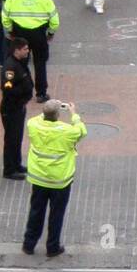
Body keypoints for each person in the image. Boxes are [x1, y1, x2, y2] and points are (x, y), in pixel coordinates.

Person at [21, 99, 87, 258]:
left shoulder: (33, 125)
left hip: (39, 179)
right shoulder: (67, 131)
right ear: (58, 114)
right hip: (60, 181)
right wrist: (73, 114)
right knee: (56, 215)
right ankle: (52, 246)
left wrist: (49, 107)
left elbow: (39, 117)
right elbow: (82, 131)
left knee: (36, 211)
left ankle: (29, 244)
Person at [1, 0, 59, 102]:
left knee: (19, 64)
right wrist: (50, 33)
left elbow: (5, 16)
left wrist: (10, 31)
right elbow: (54, 19)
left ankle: (21, 89)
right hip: (39, 34)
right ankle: (41, 93)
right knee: (40, 63)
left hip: (19, 34)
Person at [0, 36, 33, 179]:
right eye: (25, 49)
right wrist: (22, 93)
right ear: (17, 50)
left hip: (19, 107)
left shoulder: (19, 62)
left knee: (17, 137)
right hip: (11, 108)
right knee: (11, 139)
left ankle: (17, 164)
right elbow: (7, 87)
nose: (28, 51)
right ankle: (9, 170)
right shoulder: (10, 67)